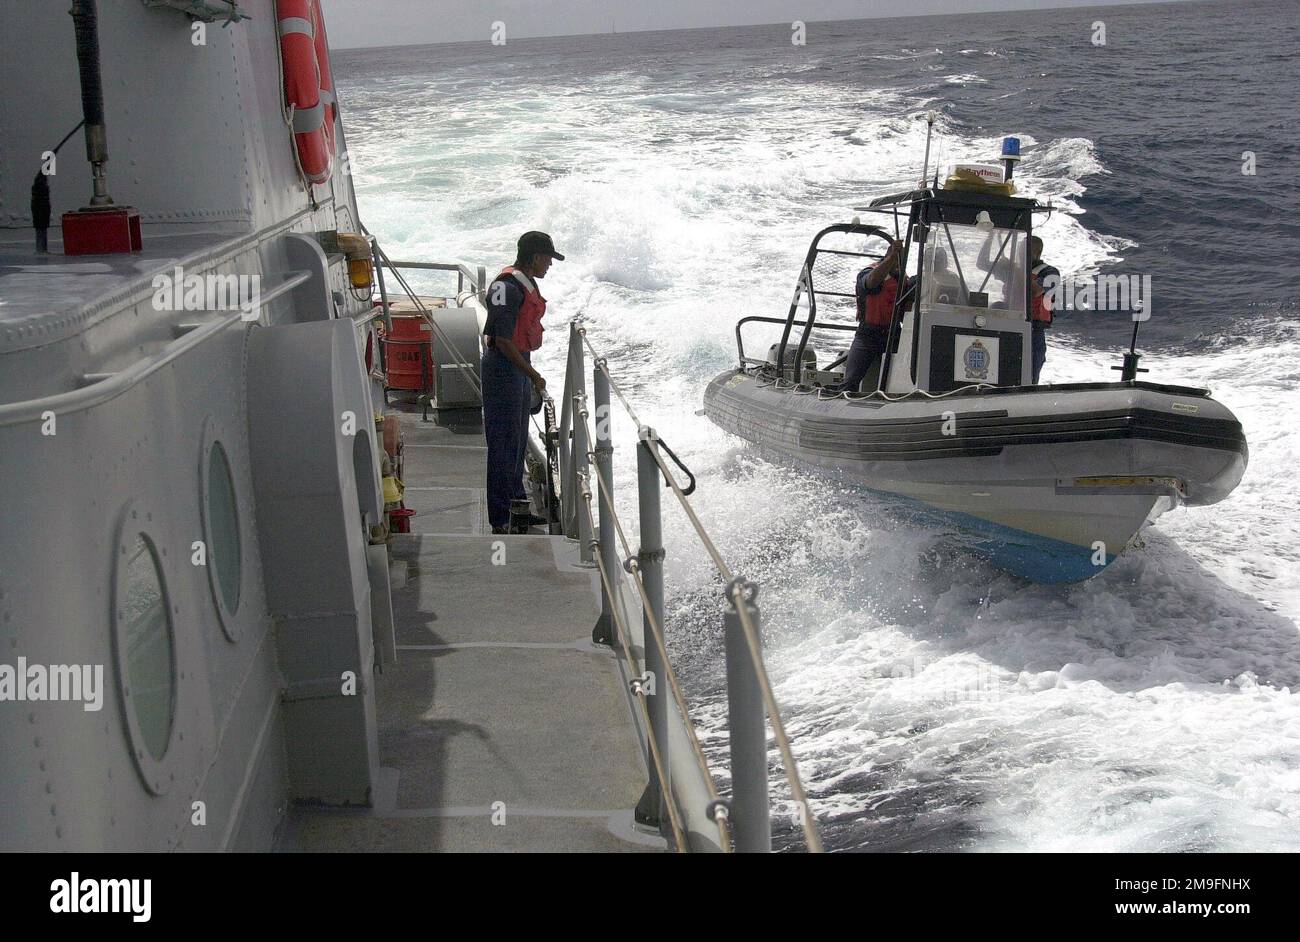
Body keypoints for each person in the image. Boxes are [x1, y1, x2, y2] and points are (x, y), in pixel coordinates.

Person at [482, 231, 563, 534]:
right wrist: (533, 376)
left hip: (518, 365)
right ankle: (501, 518)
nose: (549, 265)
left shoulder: (523, 284)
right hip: (503, 369)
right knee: (503, 443)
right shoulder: (506, 287)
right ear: (533, 257)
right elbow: (502, 340)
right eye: (547, 259)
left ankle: (517, 506)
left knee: (517, 441)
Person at [831, 239, 911, 394]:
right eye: (895, 258)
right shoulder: (868, 273)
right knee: (851, 381)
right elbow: (871, 282)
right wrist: (891, 258)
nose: (898, 263)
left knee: (901, 381)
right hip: (867, 335)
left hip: (894, 335)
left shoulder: (903, 279)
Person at [1028, 235, 1059, 383]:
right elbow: (982, 264)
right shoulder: (1015, 269)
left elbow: (1037, 291)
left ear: (1037, 253)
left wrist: (1021, 269)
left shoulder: (1050, 273)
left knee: (1031, 375)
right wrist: (991, 238)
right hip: (1012, 323)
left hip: (1034, 331)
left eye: (1027, 250)